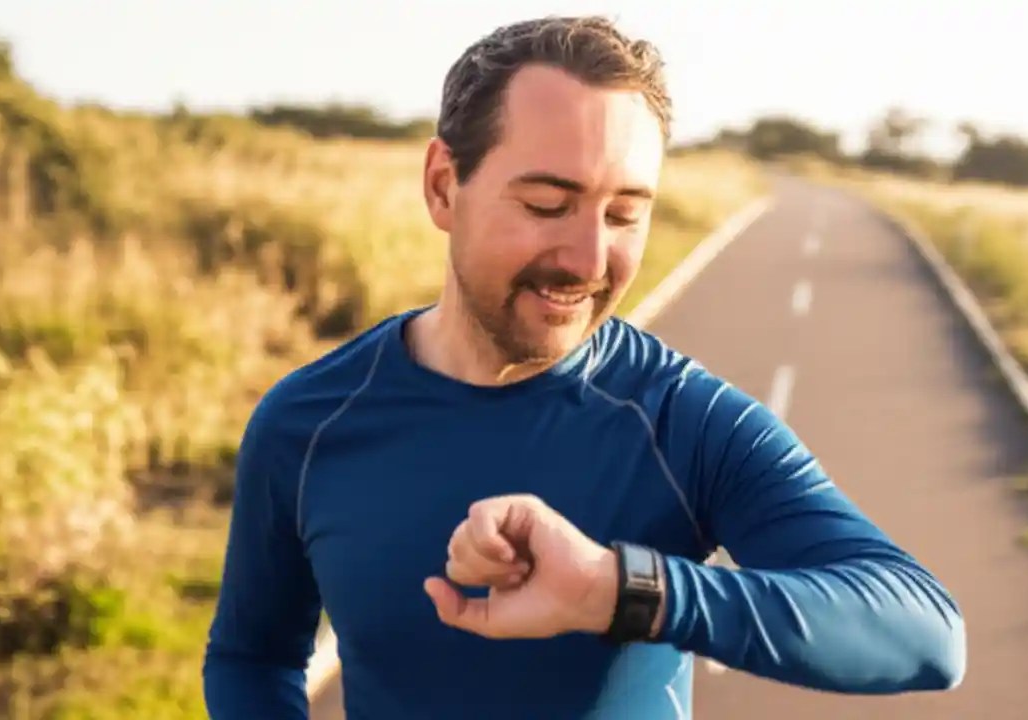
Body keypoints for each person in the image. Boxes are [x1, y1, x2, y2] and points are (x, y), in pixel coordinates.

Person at [202, 14, 966, 720]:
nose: (588, 260)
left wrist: (620, 590)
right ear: (443, 185)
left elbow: (923, 632)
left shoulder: (683, 420)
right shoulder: (308, 421)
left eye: (625, 213)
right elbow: (251, 656)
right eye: (546, 204)